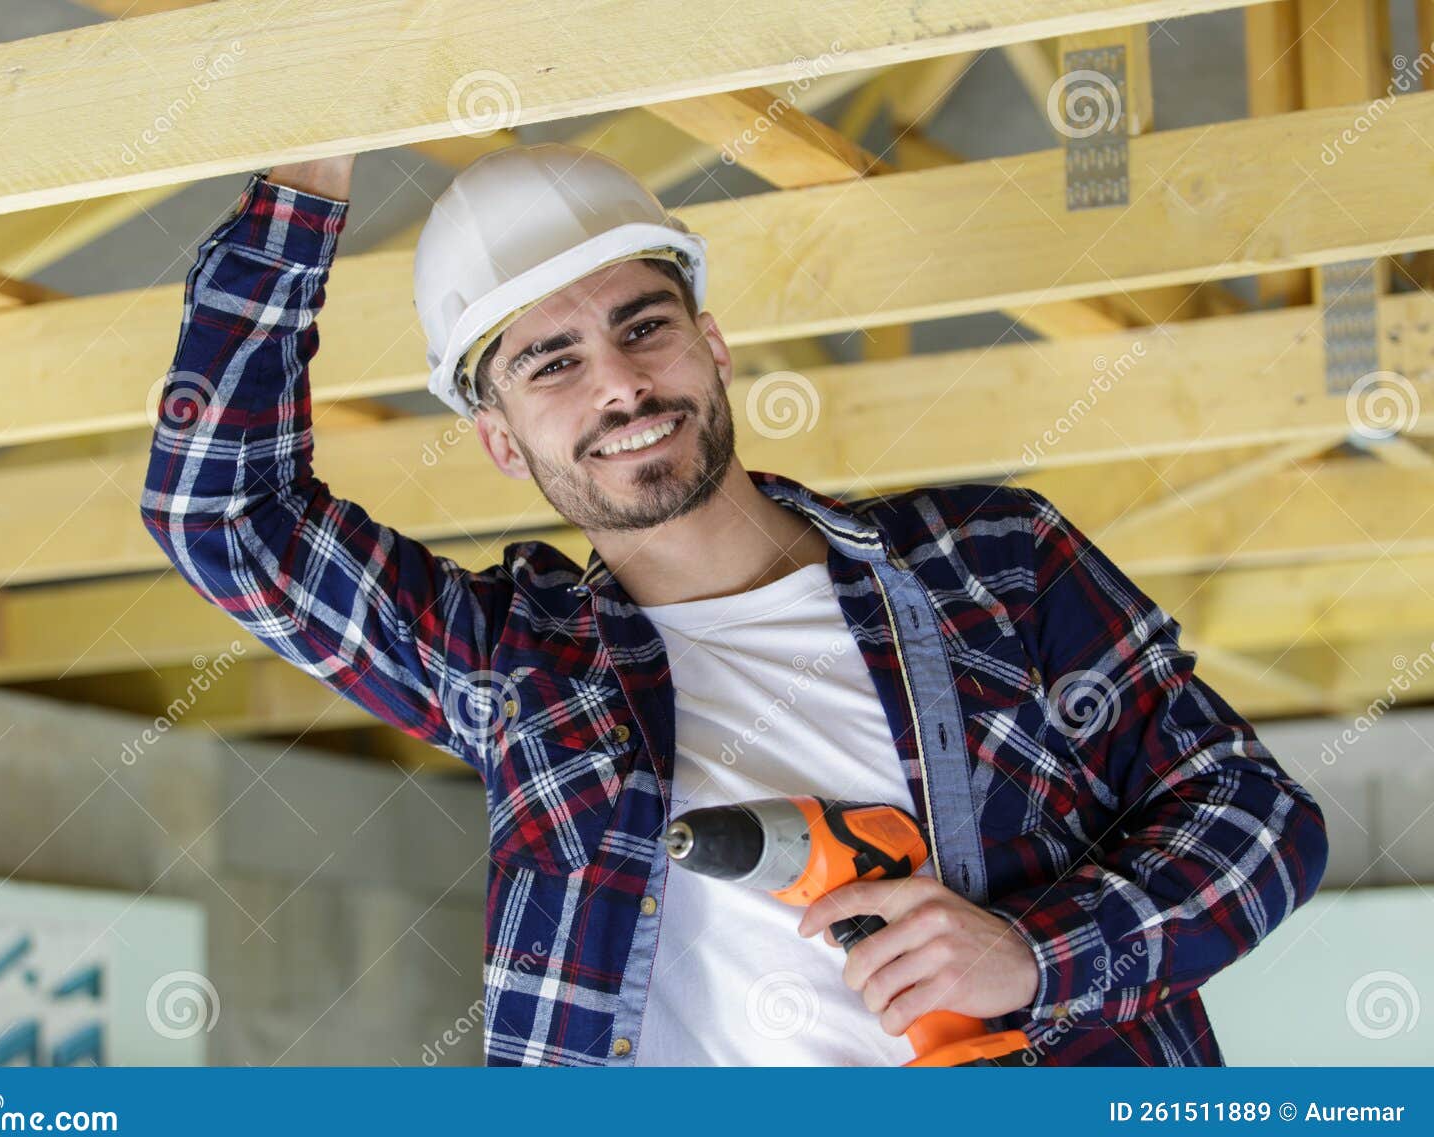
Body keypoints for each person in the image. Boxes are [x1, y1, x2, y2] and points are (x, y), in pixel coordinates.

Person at [141, 144, 1328, 1066]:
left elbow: (1256, 815)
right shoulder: (520, 674)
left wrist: (1034, 952)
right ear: (501, 439)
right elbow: (222, 514)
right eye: (550, 362)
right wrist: (308, 179)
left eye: (642, 326)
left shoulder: (990, 561)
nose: (618, 383)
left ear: (711, 344)